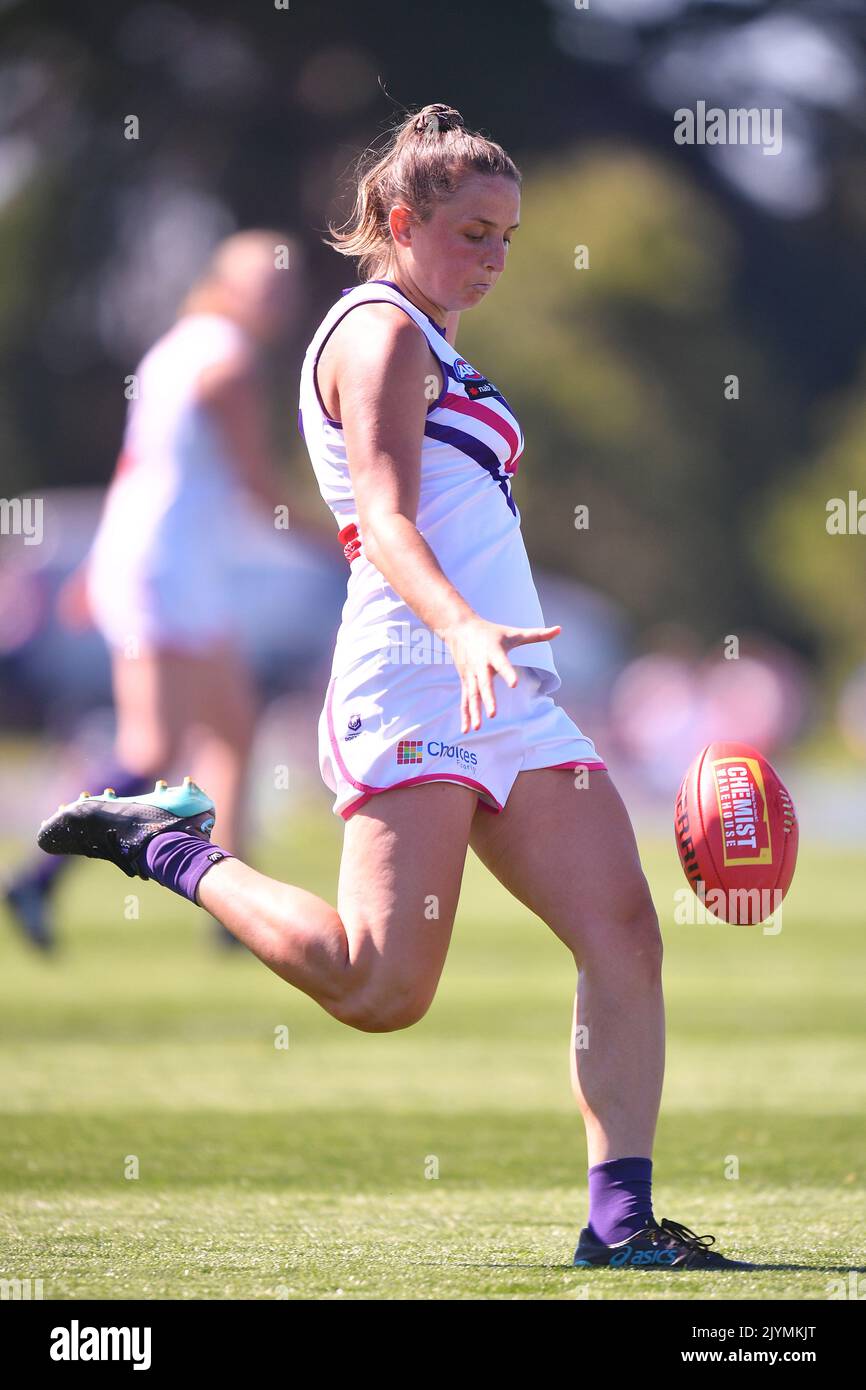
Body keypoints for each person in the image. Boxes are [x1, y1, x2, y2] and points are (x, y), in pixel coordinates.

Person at [36, 105, 751, 1270]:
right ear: (399, 221)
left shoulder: (436, 336)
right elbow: (383, 518)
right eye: (474, 231)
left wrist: (489, 642)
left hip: (503, 687)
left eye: (510, 237)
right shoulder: (378, 330)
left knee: (621, 934)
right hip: (417, 677)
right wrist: (463, 625)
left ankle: (619, 1224)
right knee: (378, 988)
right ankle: (167, 846)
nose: (496, 258)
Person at [8, 230, 302, 950]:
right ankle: (34, 878)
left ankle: (234, 906)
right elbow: (261, 488)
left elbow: (136, 464)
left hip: (163, 566)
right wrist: (353, 541)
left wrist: (100, 562)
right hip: (170, 573)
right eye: (263, 285)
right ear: (226, 286)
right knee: (152, 745)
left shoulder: (176, 347)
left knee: (232, 728)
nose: (277, 299)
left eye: (282, 286)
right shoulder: (227, 363)